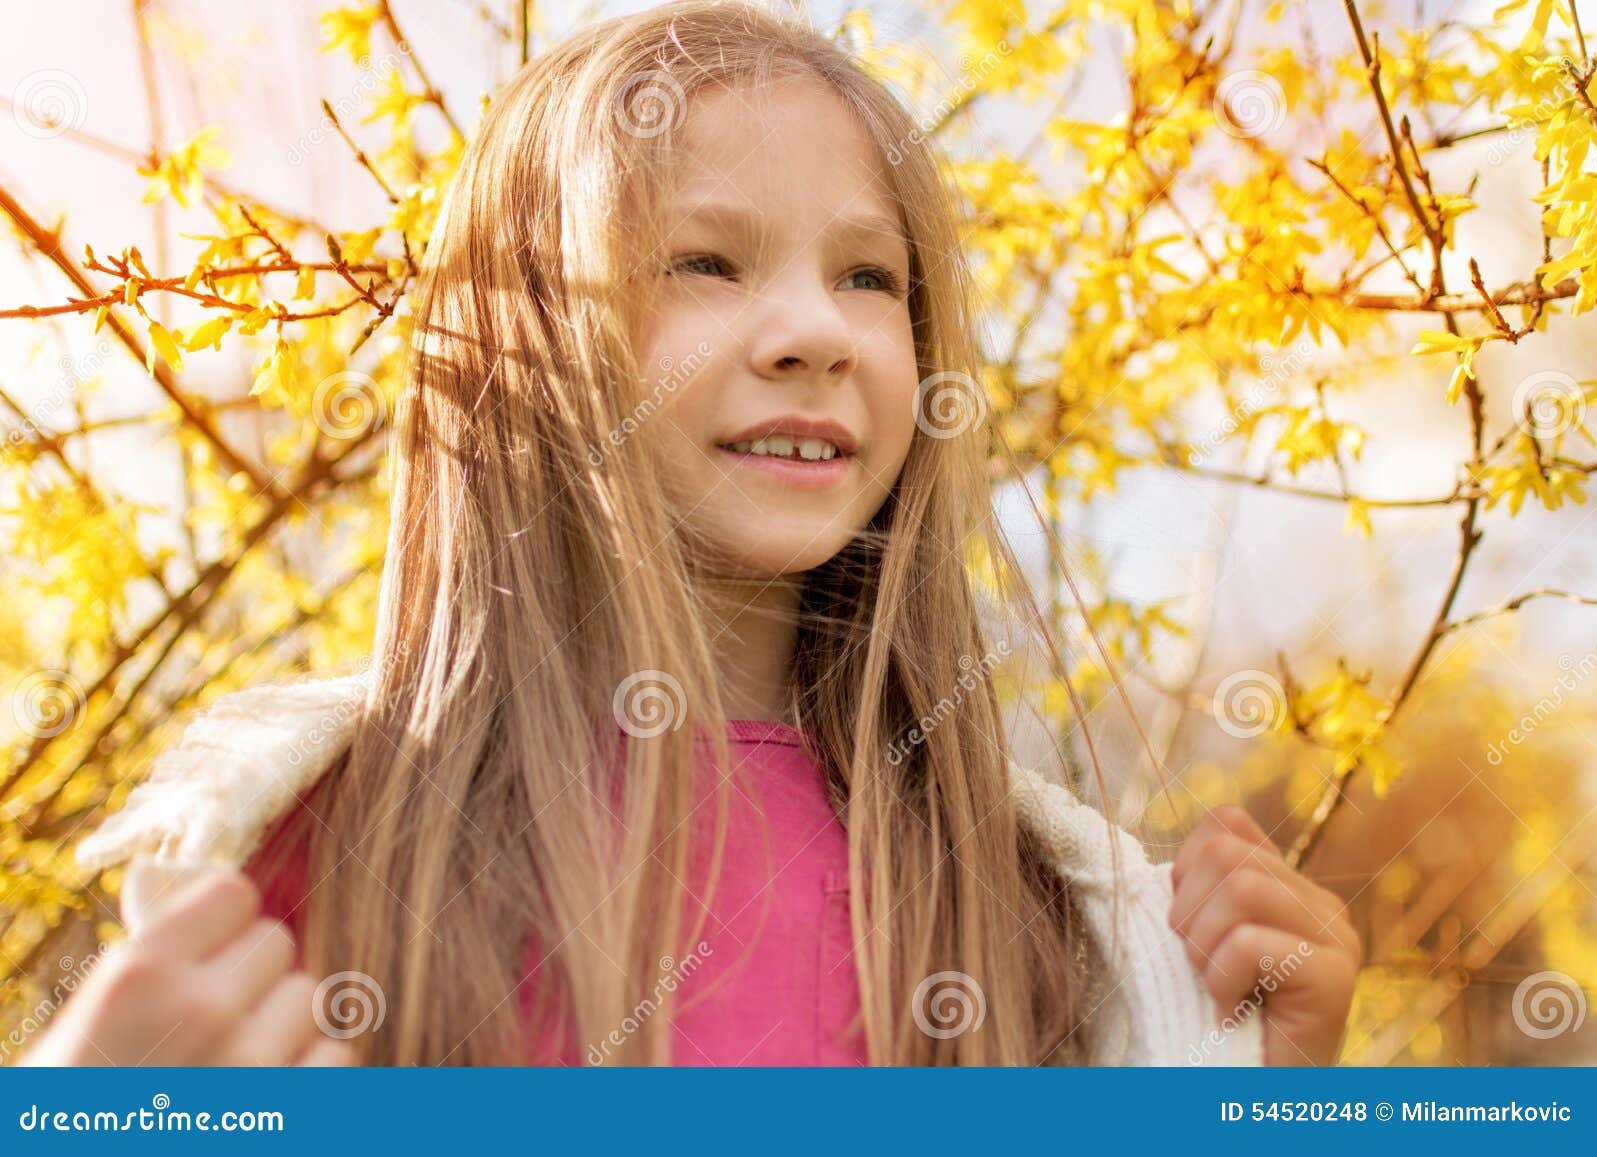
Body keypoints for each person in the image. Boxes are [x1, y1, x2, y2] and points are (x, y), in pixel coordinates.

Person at [33, 0, 1358, 1068]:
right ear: (527, 355)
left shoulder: (1033, 904)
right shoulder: (335, 840)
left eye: (868, 277)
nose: (816, 332)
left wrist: (1261, 1080)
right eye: (707, 264)